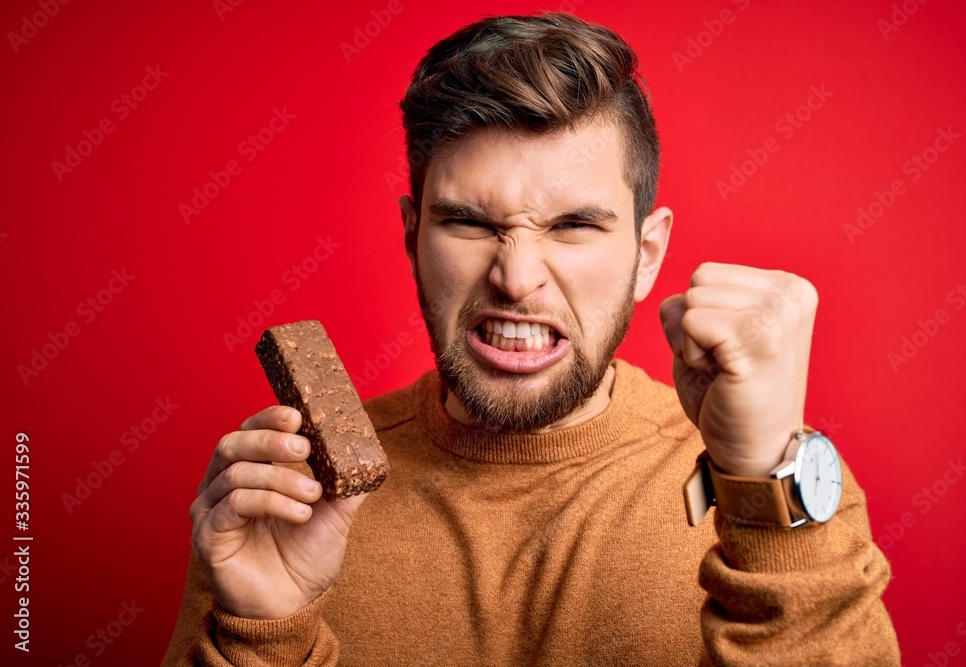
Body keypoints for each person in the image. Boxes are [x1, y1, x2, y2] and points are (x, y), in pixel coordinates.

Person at [163, 11, 900, 665]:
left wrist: (766, 495)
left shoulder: (776, 488)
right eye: (472, 223)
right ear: (413, 235)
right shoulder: (283, 503)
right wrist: (265, 631)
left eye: (574, 226)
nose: (516, 278)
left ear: (647, 254)